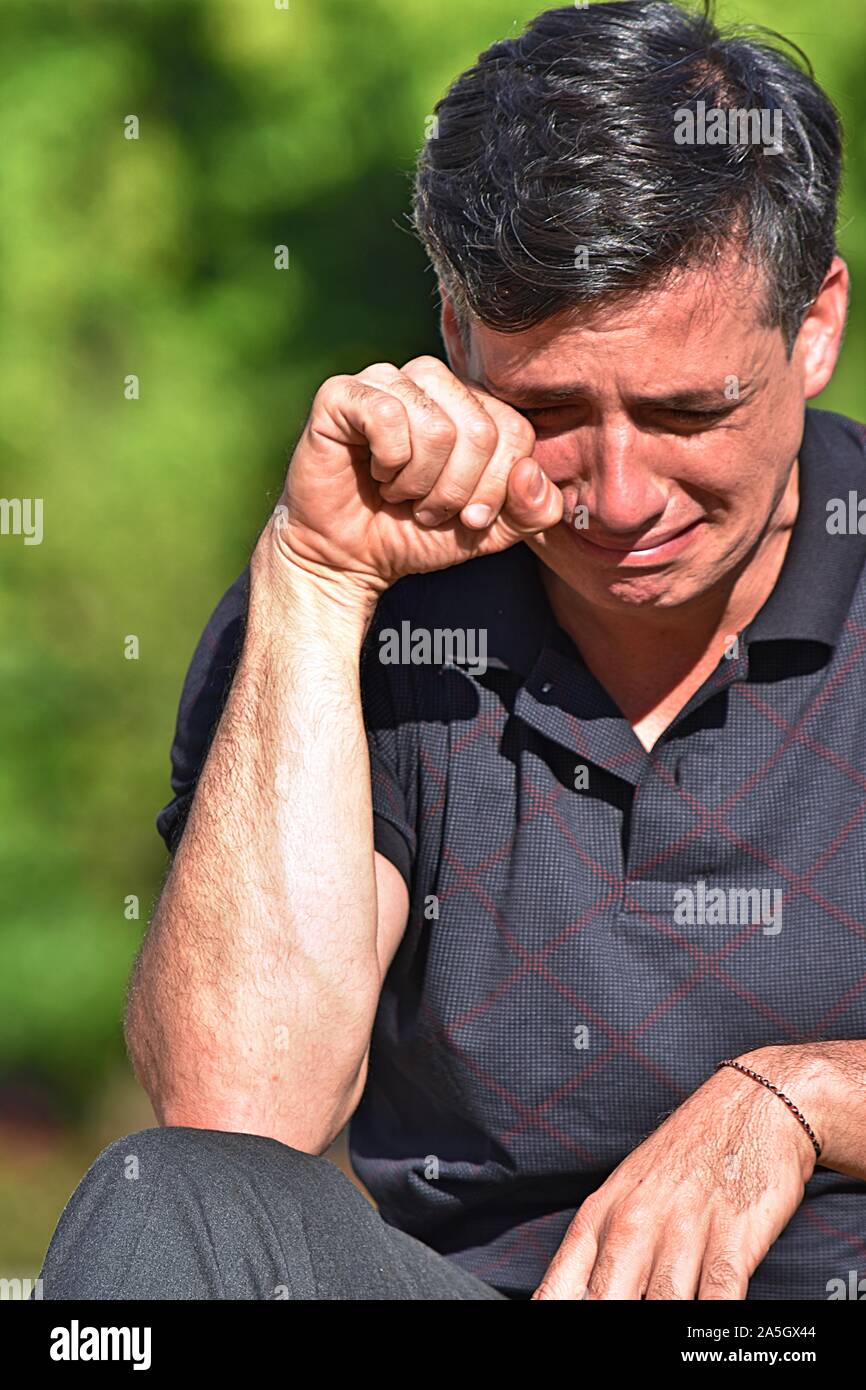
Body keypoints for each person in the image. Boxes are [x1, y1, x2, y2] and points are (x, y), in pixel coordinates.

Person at [38, 0, 866, 1300]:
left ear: (813, 326)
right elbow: (233, 1110)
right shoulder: (367, 603)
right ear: (455, 332)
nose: (620, 489)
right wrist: (315, 583)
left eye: (684, 409)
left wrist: (803, 1092)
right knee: (174, 1198)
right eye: (546, 408)